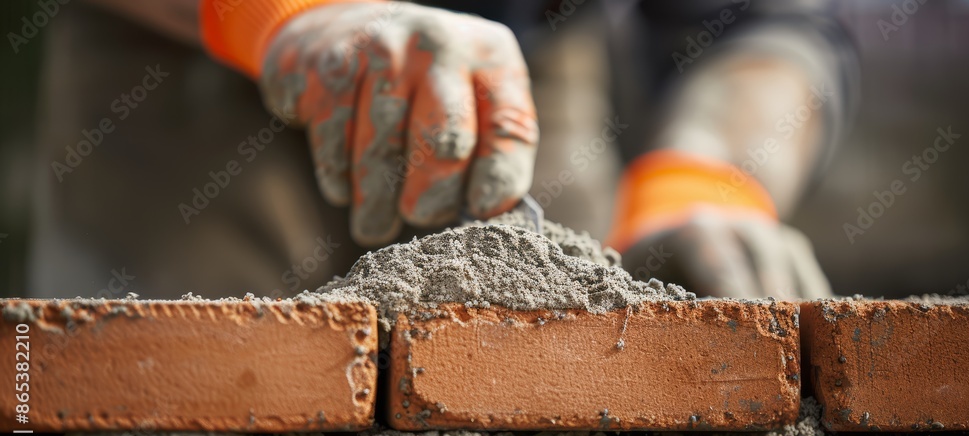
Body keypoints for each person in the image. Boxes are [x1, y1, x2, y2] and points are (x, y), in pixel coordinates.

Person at [31, 0, 857, 299]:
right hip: (193, 71)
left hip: (534, 82)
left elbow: (771, 21)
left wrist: (700, 182)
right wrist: (280, 12)